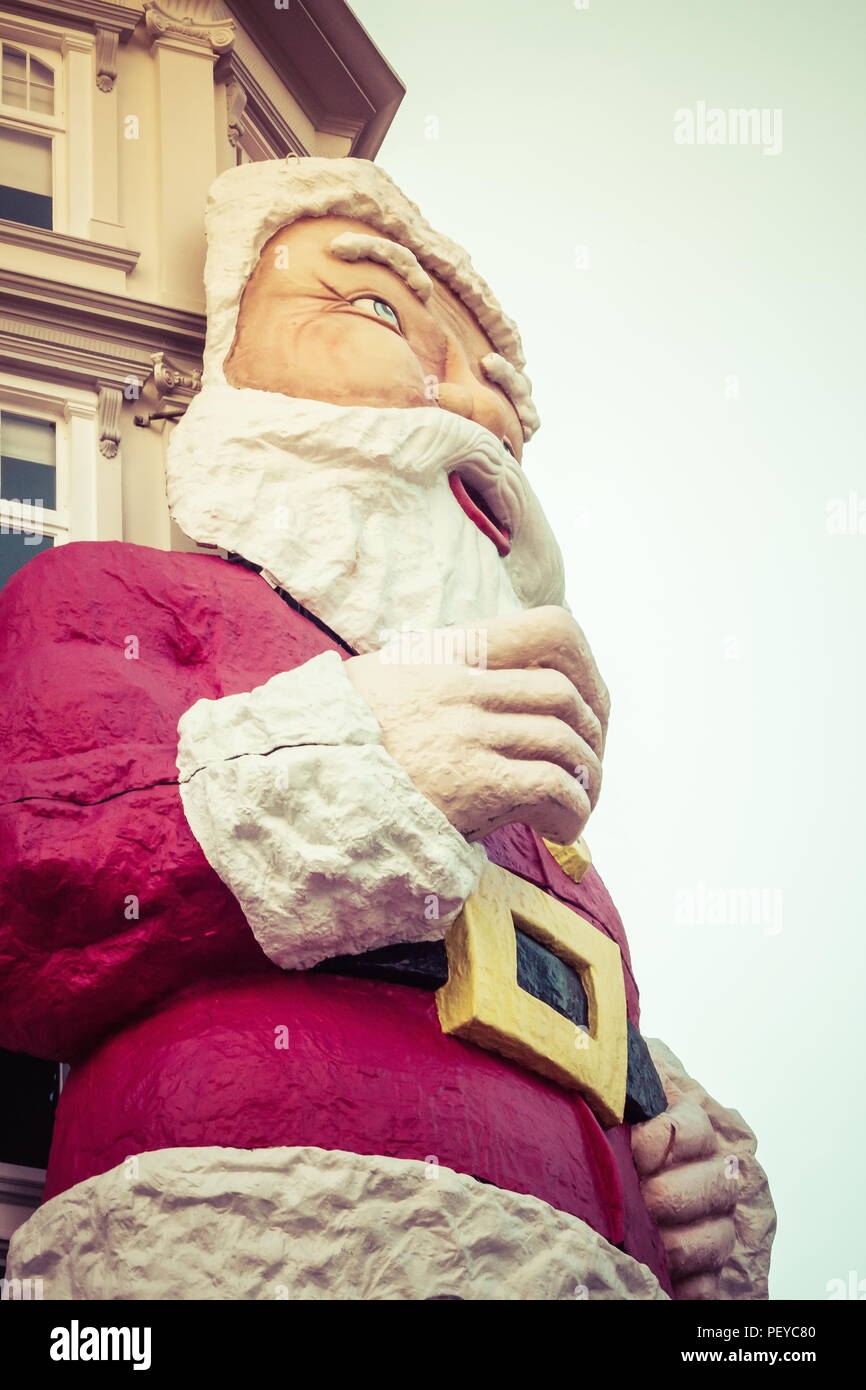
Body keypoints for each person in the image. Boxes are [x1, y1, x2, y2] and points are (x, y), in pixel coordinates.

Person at [1, 158, 774, 1300]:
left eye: (496, 387)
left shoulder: (543, 822)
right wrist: (357, 774)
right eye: (370, 309)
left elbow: (539, 1012)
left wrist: (676, 1145)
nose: (469, 408)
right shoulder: (114, 597)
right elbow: (35, 888)